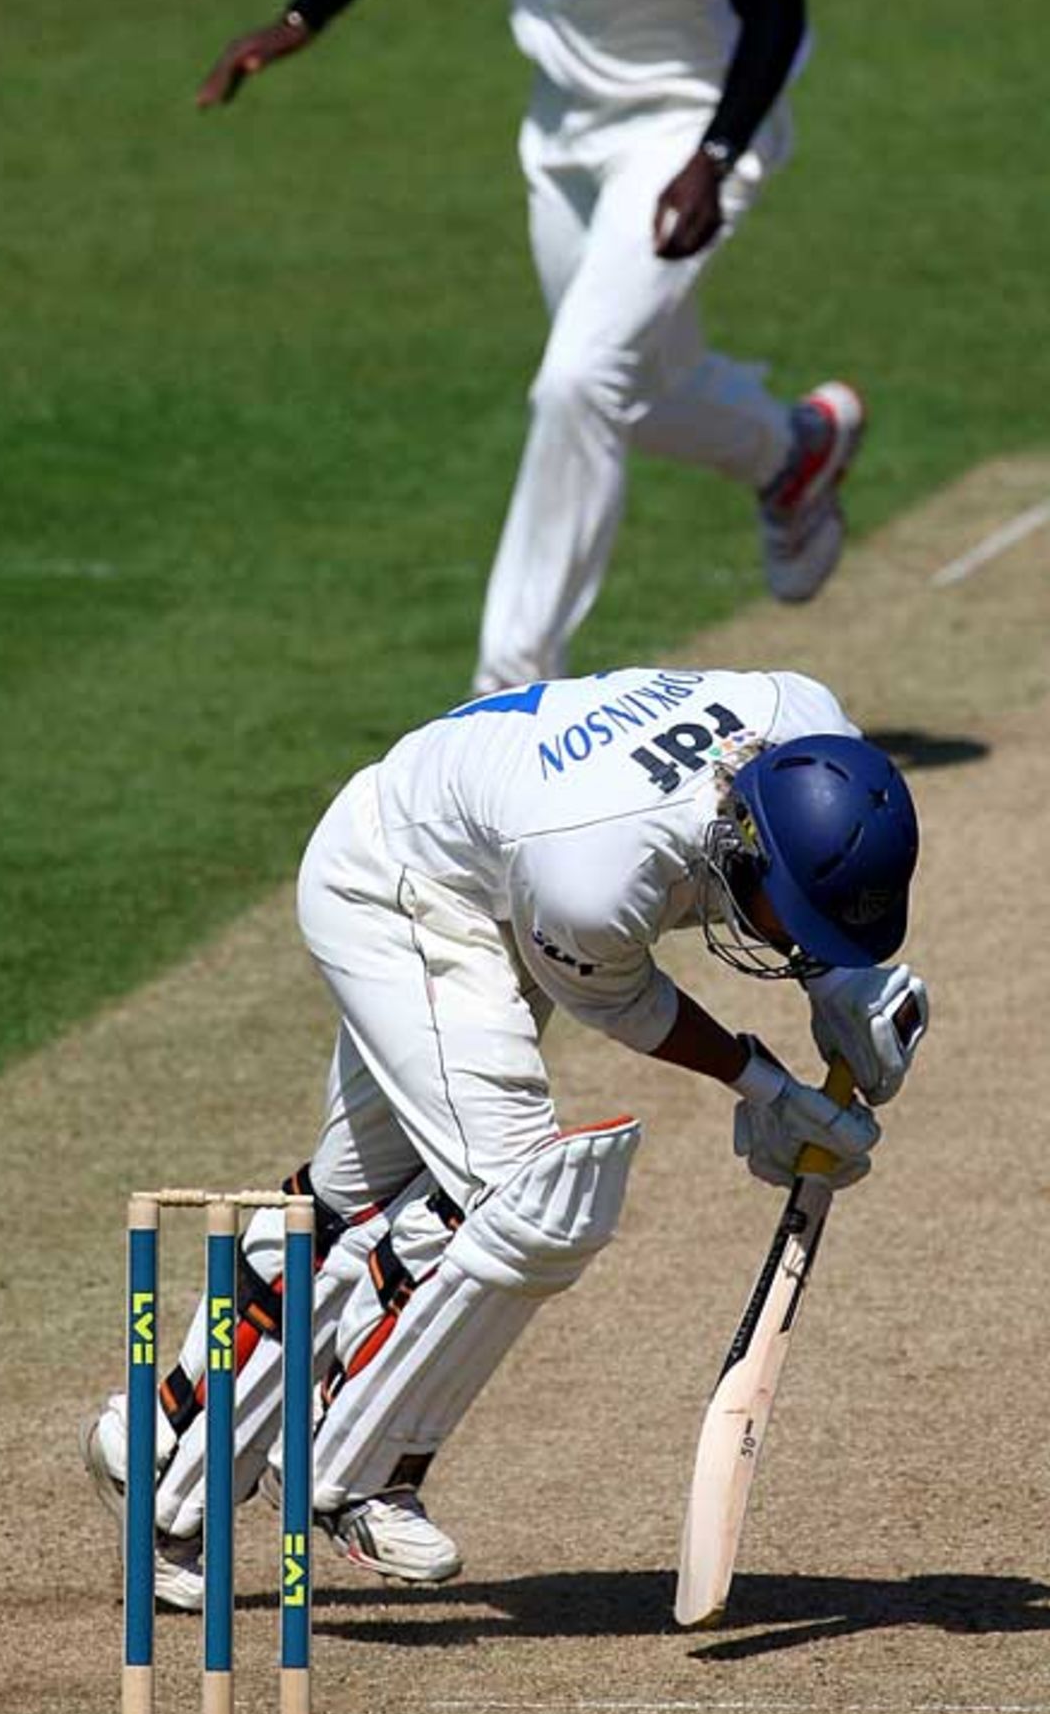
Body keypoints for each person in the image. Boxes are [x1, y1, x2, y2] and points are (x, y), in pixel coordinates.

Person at [83, 663, 927, 1601]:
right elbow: (630, 1003)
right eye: (793, 923)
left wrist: (847, 991)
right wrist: (764, 1086)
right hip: (402, 890)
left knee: (354, 1193)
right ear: (744, 842)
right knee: (528, 1202)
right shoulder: (596, 879)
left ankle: (153, 1451)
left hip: (480, 854)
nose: (792, 940)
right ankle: (354, 1471)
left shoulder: (812, 726)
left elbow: (820, 896)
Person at [196, 0, 865, 696]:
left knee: (573, 385)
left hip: (690, 119)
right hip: (563, 126)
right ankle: (790, 454)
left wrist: (713, 154)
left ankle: (507, 690)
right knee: (629, 392)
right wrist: (300, 19)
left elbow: (778, 13)